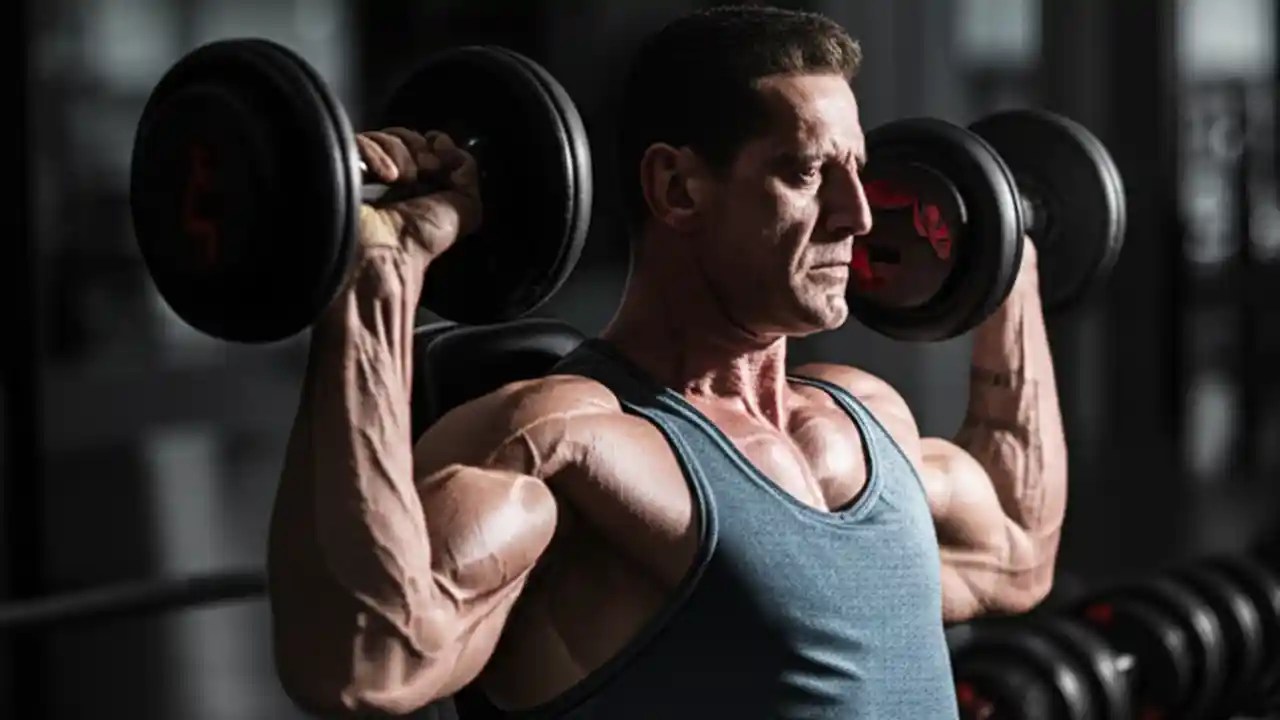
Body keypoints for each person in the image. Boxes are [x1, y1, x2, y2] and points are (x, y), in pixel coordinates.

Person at [267, 5, 1067, 719]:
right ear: (678, 188)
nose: (856, 214)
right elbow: (363, 663)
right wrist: (376, 283)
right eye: (805, 172)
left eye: (857, 171)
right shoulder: (567, 444)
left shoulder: (867, 418)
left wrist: (1006, 256)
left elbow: (1017, 550)